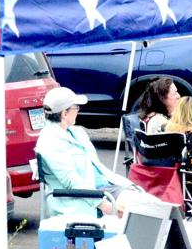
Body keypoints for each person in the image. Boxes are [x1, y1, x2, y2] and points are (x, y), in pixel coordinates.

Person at [36, 86, 157, 217]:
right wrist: (105, 205)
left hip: (105, 187)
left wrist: (128, 186)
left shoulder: (76, 132)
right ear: (64, 113)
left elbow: (98, 167)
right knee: (151, 211)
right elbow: (71, 181)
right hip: (88, 197)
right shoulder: (49, 142)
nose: (78, 110)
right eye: (76, 107)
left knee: (155, 206)